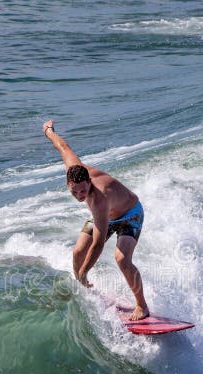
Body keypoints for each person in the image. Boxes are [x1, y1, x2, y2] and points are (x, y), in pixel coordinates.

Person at [43, 119, 149, 321]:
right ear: (68, 183)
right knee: (78, 252)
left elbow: (98, 245)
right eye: (75, 191)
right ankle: (83, 287)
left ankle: (142, 306)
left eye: (83, 191)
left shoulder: (99, 200)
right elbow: (63, 146)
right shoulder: (74, 169)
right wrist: (48, 131)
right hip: (105, 216)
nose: (80, 195)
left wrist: (84, 271)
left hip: (130, 215)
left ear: (89, 181)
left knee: (122, 259)